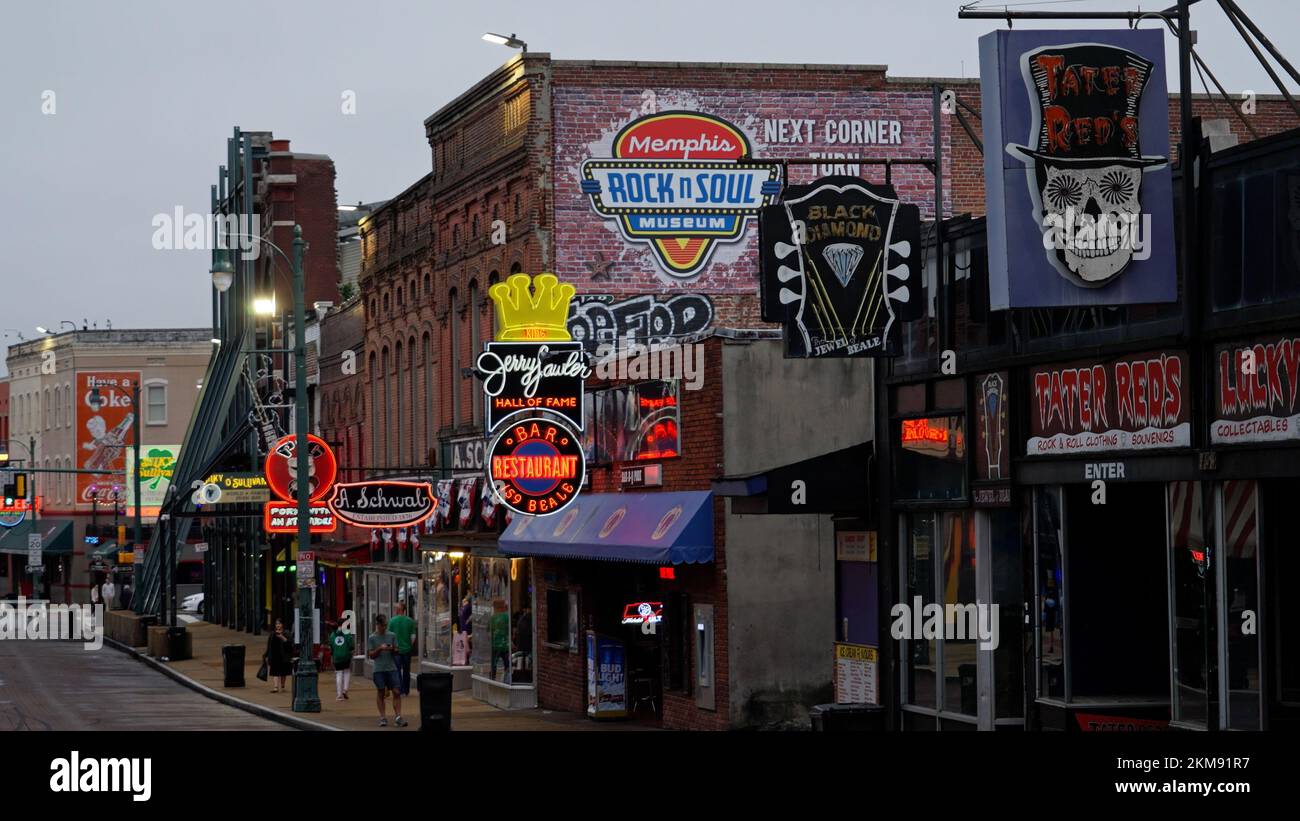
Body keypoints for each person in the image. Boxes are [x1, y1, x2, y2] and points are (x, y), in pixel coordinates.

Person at [367, 613, 405, 727]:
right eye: (382, 625)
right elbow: (371, 655)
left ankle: (398, 716)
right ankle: (383, 717)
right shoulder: (372, 637)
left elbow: (397, 650)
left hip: (391, 667)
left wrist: (392, 648)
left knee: (397, 692)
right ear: (378, 625)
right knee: (381, 692)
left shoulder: (392, 635)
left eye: (386, 625)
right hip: (378, 669)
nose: (384, 627)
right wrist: (379, 648)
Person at [387, 601, 417, 697]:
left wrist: (391, 647)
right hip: (407, 650)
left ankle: (400, 690)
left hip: (396, 650)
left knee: (397, 670)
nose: (395, 609)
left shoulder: (392, 621)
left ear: (399, 609)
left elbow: (389, 636)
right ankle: (406, 690)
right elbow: (413, 637)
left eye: (396, 608)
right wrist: (409, 645)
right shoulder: (410, 621)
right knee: (407, 670)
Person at [264, 618, 295, 693]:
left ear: (282, 625)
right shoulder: (272, 634)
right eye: (276, 624)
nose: (278, 625)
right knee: (275, 672)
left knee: (283, 672)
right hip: (275, 656)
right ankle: (275, 687)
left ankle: (282, 686)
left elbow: (290, 645)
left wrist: (282, 637)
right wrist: (266, 654)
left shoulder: (286, 633)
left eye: (279, 624)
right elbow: (269, 645)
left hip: (284, 656)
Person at [328, 621, 355, 701]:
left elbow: (331, 647)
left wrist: (332, 656)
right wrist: (351, 651)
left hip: (337, 656)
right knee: (347, 671)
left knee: (338, 673)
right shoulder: (347, 633)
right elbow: (351, 645)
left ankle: (339, 695)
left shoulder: (333, 635)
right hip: (346, 656)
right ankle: (345, 689)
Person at [489, 598, 510, 681]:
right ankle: (507, 678)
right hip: (505, 644)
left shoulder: (493, 617)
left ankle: (493, 679)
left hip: (495, 644)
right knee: (506, 664)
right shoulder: (506, 616)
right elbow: (509, 629)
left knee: (494, 664)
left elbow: (489, 630)